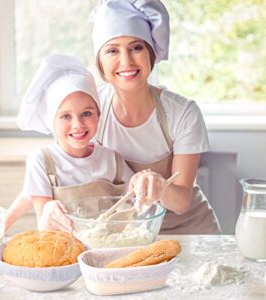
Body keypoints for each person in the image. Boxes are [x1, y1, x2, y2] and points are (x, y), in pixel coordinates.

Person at [89, 0, 221, 234]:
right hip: (125, 233)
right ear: (99, 61)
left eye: (136, 47)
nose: (126, 61)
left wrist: (158, 185)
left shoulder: (182, 113)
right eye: (112, 50)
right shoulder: (91, 110)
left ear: (152, 53)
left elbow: (181, 202)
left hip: (189, 232)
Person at [5, 53, 167, 232]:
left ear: (98, 114)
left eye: (87, 113)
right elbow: (43, 220)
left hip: (106, 250)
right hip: (62, 254)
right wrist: (44, 212)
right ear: (52, 122)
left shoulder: (111, 160)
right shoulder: (42, 161)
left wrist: (145, 180)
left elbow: (139, 201)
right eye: (66, 116)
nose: (78, 125)